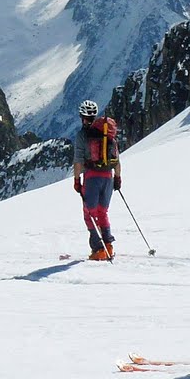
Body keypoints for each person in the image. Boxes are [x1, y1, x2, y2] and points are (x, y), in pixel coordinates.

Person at [72, 100, 122, 260]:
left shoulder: (82, 135)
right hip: (108, 176)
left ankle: (98, 250)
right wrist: (118, 177)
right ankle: (108, 245)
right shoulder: (107, 132)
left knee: (90, 214)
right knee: (102, 212)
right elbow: (117, 158)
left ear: (82, 116)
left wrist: (77, 180)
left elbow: (78, 160)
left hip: (92, 178)